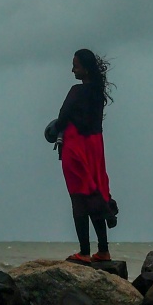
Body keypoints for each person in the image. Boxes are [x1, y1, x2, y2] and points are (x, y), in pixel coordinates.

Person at [52, 48, 116, 264]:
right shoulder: (97, 93)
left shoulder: (76, 91)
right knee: (95, 192)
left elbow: (62, 118)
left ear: (86, 69)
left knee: (78, 196)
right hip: (95, 146)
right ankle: (103, 250)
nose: (72, 70)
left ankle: (85, 252)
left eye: (75, 66)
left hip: (76, 145)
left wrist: (54, 130)